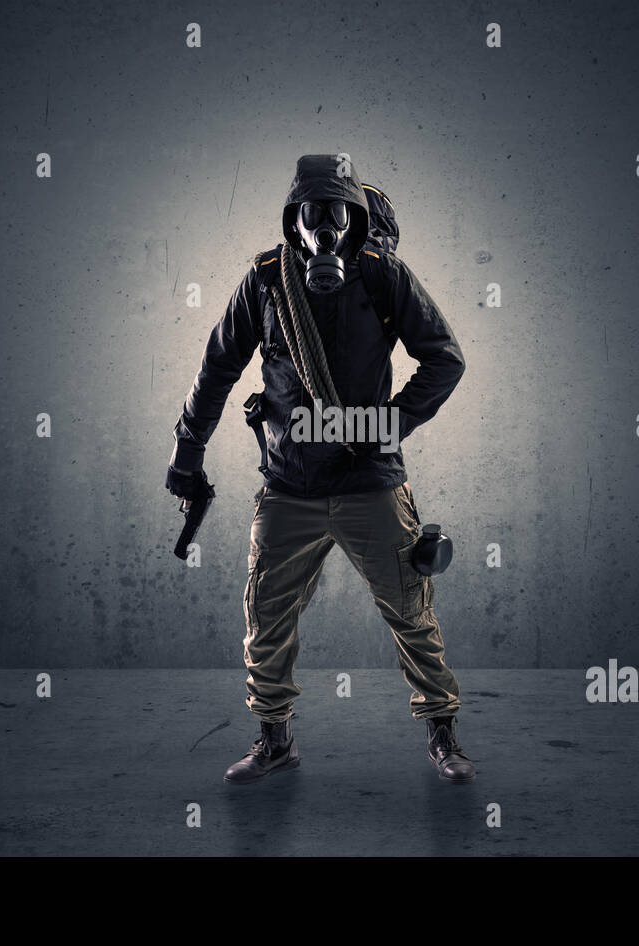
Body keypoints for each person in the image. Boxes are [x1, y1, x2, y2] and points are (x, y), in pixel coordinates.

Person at [166, 153, 474, 784]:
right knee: (266, 615)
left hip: (370, 483)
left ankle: (443, 734)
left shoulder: (383, 275)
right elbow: (217, 368)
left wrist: (389, 424)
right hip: (289, 485)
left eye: (337, 215)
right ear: (294, 219)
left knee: (410, 610)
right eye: (313, 215)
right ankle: (274, 740)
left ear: (356, 219)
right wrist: (186, 455)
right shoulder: (265, 280)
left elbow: (444, 357)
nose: (325, 230)